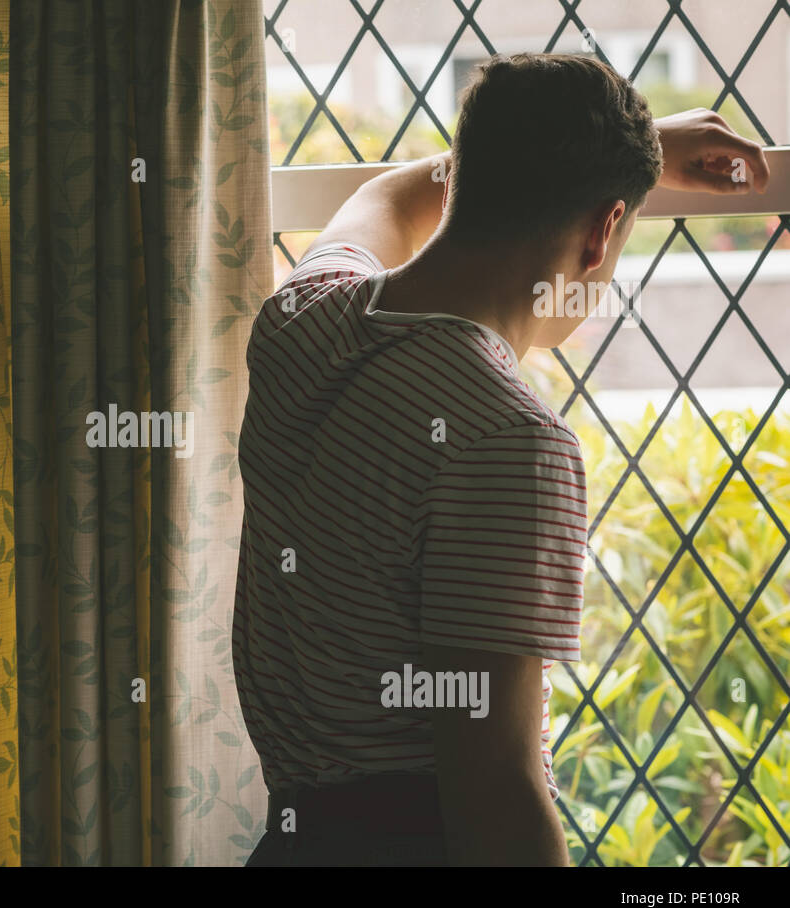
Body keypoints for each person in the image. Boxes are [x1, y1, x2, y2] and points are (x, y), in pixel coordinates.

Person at [232, 53, 770, 866]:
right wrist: (623, 160)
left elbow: (387, 196)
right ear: (600, 236)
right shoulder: (508, 438)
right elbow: (497, 797)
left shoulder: (303, 316)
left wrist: (626, 153)